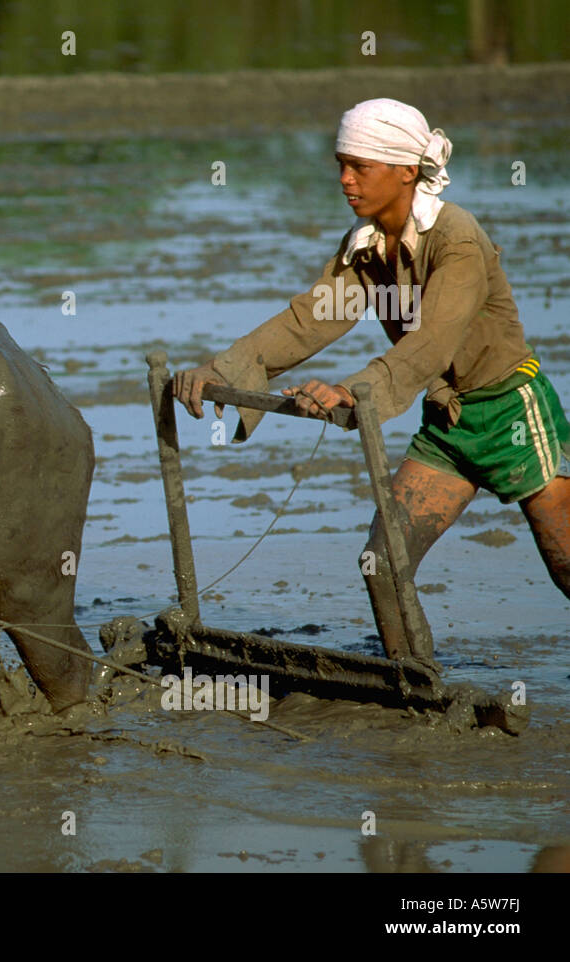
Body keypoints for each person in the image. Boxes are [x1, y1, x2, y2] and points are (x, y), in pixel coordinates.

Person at [172, 98, 570, 660]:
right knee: (382, 563)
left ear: (407, 170)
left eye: (360, 167)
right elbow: (312, 317)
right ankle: (414, 684)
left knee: (566, 566)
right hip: (447, 423)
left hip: (510, 410)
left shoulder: (455, 239)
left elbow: (433, 340)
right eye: (341, 164)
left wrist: (351, 392)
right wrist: (223, 367)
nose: (344, 180)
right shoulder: (365, 249)